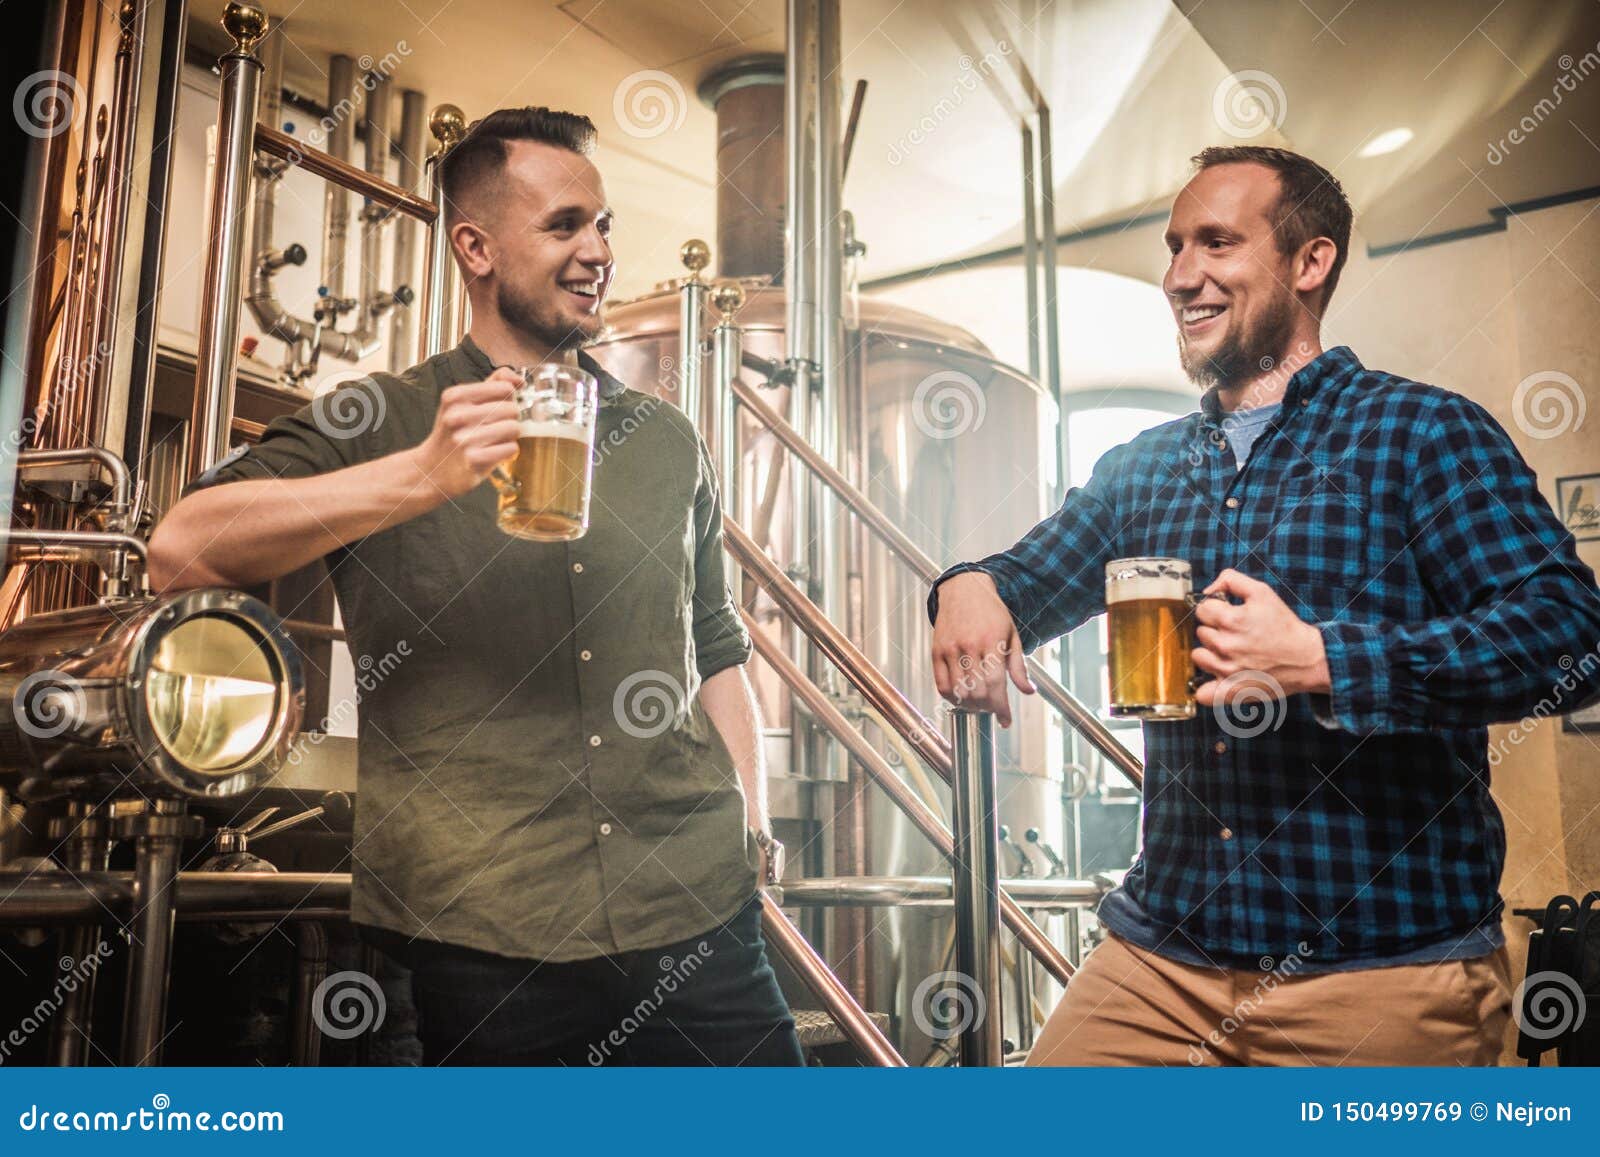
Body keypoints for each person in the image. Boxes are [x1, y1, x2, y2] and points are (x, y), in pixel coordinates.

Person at [149, 107, 803, 1066]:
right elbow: (181, 549)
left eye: (604, 224)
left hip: (695, 910)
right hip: (484, 931)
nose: (598, 251)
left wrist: (752, 823)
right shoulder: (384, 418)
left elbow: (714, 645)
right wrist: (419, 475)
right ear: (476, 248)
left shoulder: (666, 440)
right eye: (564, 225)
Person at [928, 145, 1600, 1066]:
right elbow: (1028, 578)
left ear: (1310, 261)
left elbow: (1571, 632)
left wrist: (1325, 660)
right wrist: (970, 582)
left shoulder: (1422, 433)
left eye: (1216, 242)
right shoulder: (1141, 467)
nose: (1180, 275)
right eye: (1174, 248)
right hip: (1159, 960)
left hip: (1381, 969)